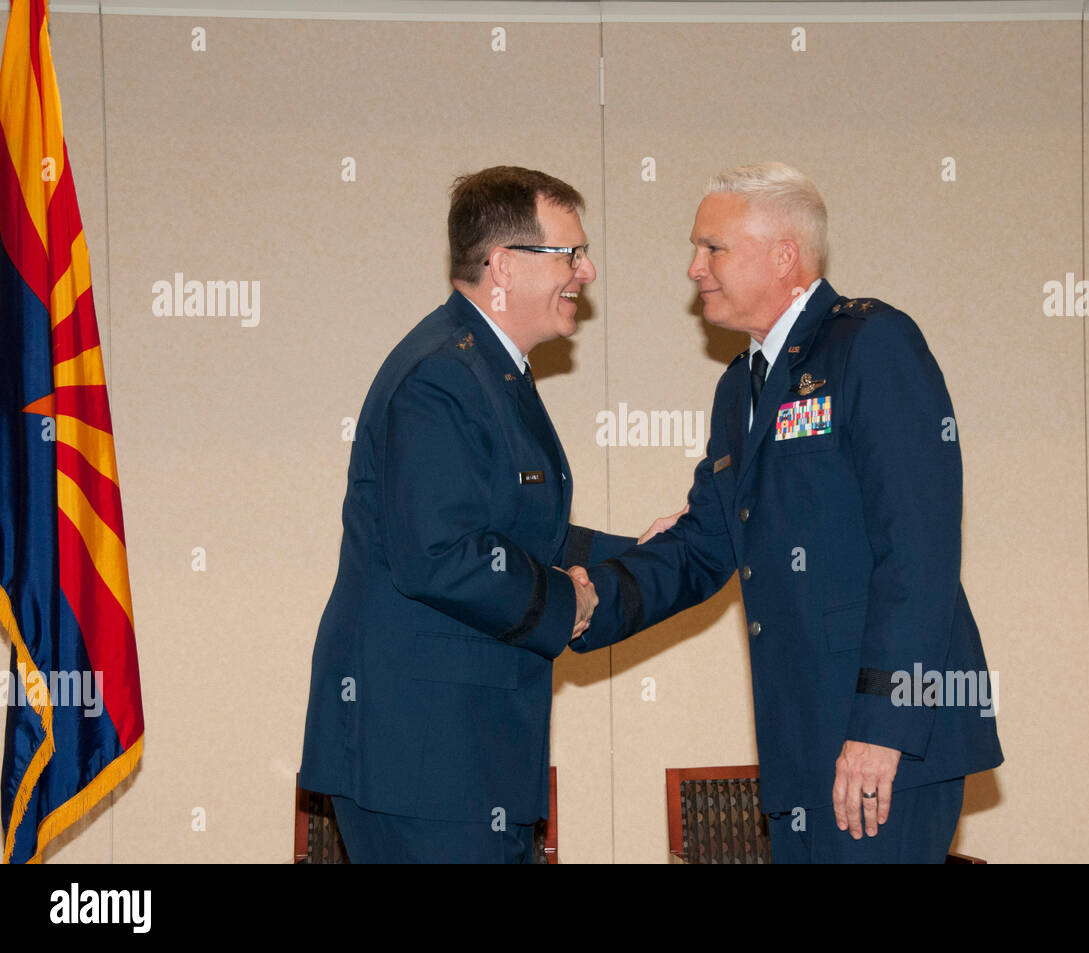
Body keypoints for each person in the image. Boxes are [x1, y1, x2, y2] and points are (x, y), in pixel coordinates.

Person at [570, 162, 1003, 863]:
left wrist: (883, 726)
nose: (693, 268)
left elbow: (920, 552)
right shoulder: (737, 388)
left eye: (713, 248)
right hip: (800, 741)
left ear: (784, 256)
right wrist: (589, 597)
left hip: (882, 740)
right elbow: (705, 546)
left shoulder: (870, 344)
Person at [299, 166, 634, 863]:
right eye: (570, 253)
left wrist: (639, 551)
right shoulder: (442, 378)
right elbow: (443, 552)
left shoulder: (488, 367)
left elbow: (517, 529)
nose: (587, 270)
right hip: (423, 756)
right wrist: (563, 599)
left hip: (460, 753)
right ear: (503, 264)